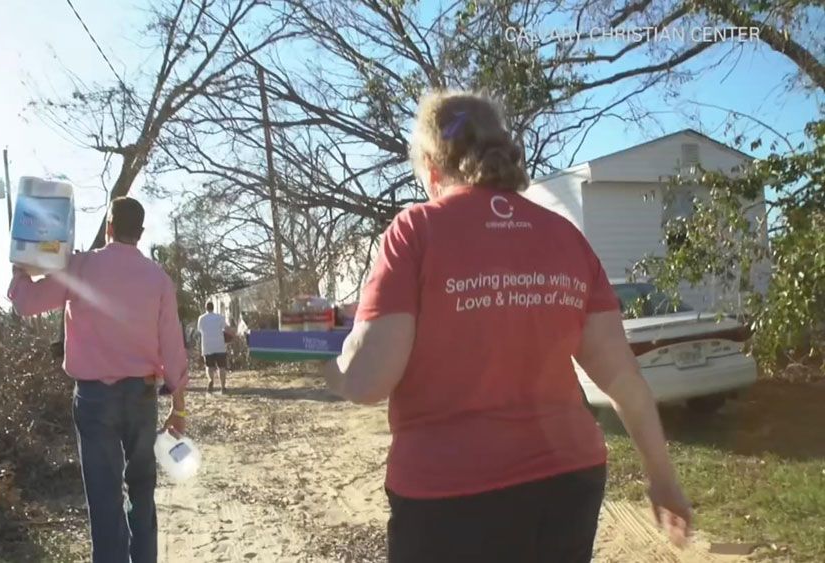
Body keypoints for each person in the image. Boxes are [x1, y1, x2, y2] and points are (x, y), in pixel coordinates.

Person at [319, 91, 692, 562]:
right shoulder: (565, 238)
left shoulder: (417, 230)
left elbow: (367, 380)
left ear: (433, 167)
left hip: (450, 494)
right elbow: (623, 379)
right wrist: (662, 477)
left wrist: (326, 364)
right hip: (568, 482)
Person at [8, 196, 188, 563]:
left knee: (104, 498)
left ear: (108, 227)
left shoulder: (81, 266)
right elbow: (172, 347)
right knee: (142, 492)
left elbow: (27, 304)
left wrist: (20, 271)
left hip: (93, 400)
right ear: (140, 233)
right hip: (141, 397)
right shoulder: (158, 279)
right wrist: (179, 408)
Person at [196, 302, 232, 393]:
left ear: (206, 308)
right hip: (219, 346)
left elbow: (199, 330)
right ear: (213, 308)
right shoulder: (220, 317)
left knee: (209, 366)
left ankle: (210, 380)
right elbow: (225, 328)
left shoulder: (201, 318)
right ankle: (223, 387)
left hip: (207, 346)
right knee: (222, 367)